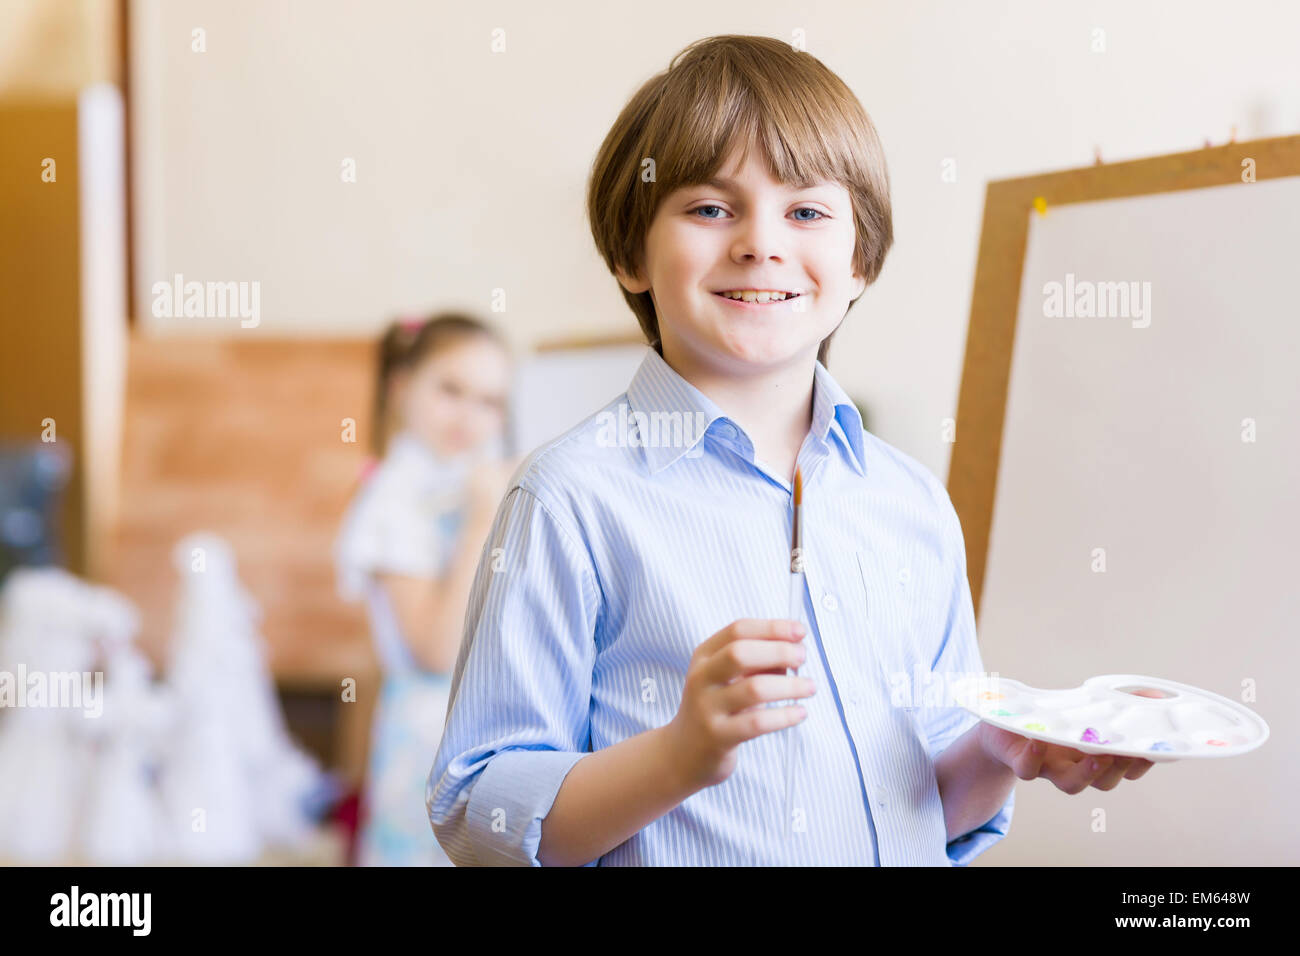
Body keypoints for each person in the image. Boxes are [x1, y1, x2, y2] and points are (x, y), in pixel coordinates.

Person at [427, 35, 1154, 867]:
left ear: (861, 261)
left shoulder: (910, 503)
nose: (759, 243)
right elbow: (476, 811)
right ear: (631, 253)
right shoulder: (568, 499)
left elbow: (924, 814)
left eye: (806, 211)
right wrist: (676, 758)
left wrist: (1006, 752)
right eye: (709, 208)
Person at [336, 312, 517, 866]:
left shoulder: (472, 478)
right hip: (429, 735)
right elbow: (435, 650)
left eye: (489, 401)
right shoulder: (395, 501)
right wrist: (482, 516)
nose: (469, 416)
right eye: (451, 390)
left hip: (488, 719)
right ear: (401, 387)